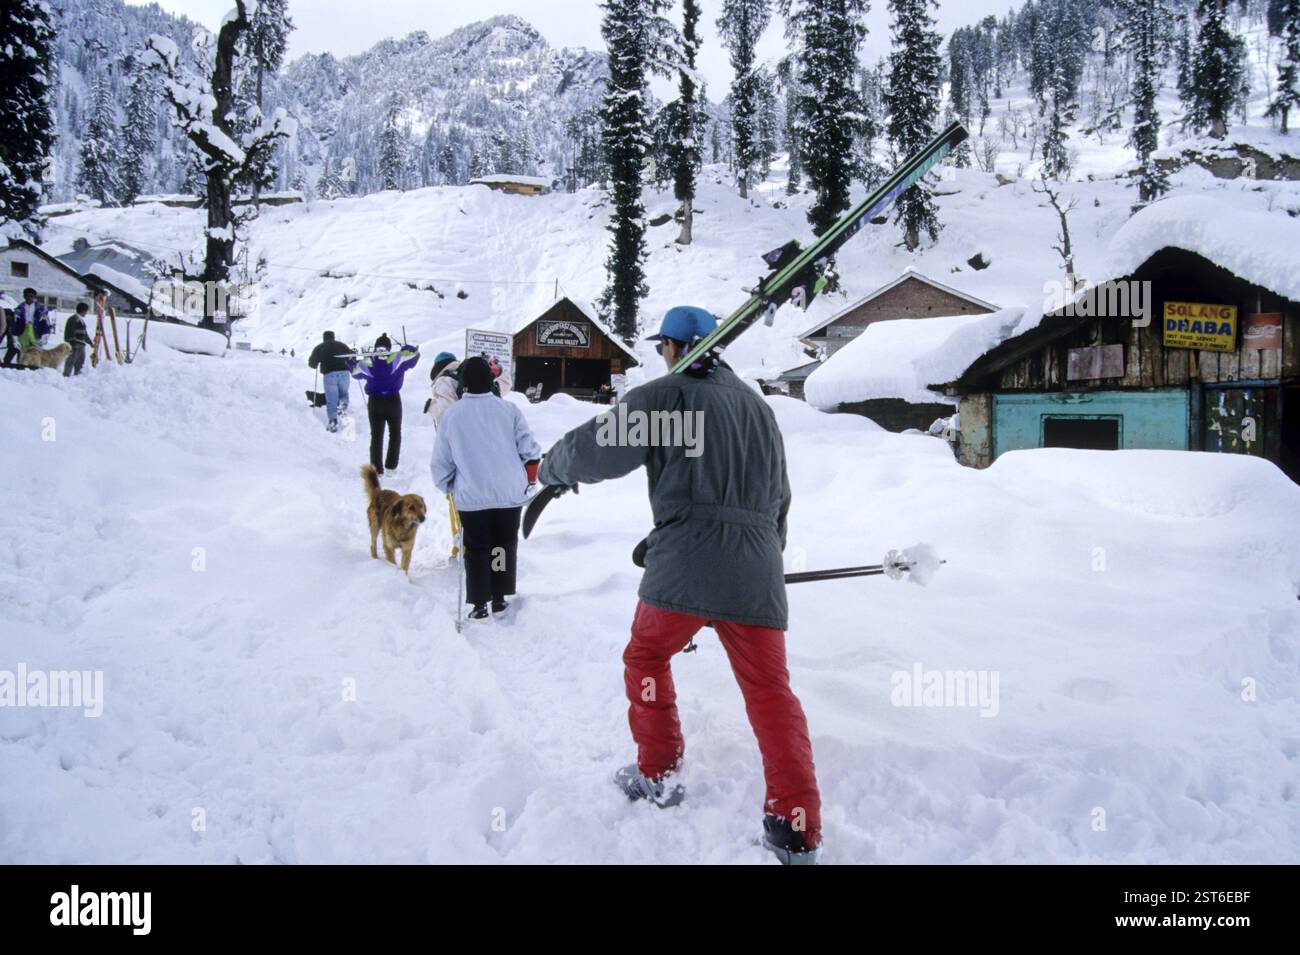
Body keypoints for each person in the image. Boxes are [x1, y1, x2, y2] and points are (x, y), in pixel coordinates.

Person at [536, 305, 821, 865]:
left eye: (663, 346)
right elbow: (779, 500)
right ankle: (797, 828)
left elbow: (596, 449)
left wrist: (549, 470)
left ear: (672, 346)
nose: (663, 355)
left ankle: (658, 770)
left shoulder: (669, 400)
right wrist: (760, 566)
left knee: (646, 657)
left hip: (684, 563)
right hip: (756, 569)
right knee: (770, 691)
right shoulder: (759, 410)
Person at [430, 357, 540, 622]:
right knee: (502, 545)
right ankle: (499, 598)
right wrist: (528, 480)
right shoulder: (509, 410)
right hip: (508, 495)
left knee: (477, 549)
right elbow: (530, 450)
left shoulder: (452, 415)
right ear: (490, 380)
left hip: (472, 496)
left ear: (463, 383)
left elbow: (441, 461)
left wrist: (447, 485)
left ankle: (480, 603)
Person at [349, 334, 420, 474]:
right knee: (395, 433)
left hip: (375, 402)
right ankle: (391, 466)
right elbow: (415, 357)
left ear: (376, 347)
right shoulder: (397, 357)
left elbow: (355, 372)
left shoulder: (369, 361)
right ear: (389, 347)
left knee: (376, 436)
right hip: (393, 400)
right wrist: (410, 349)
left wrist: (351, 362)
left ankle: (377, 469)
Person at [307, 330, 353, 431]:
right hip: (344, 373)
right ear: (333, 337)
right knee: (343, 393)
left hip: (329, 374)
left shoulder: (320, 347)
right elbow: (352, 356)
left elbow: (312, 364)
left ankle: (333, 422)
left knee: (331, 399)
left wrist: (316, 363)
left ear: (324, 338)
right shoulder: (341, 345)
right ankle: (342, 405)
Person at [9, 288, 50, 364]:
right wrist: (14, 338)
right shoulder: (19, 308)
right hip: (23, 333)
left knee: (36, 353)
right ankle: (22, 367)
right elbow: (15, 323)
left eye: (31, 296)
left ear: (34, 297)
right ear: (24, 296)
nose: (29, 298)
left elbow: (45, 323)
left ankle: (35, 367)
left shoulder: (41, 309)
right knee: (23, 354)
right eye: (27, 296)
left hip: (36, 333)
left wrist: (45, 335)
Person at [427, 351, 461, 427]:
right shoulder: (458, 376)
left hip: (454, 431)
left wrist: (431, 406)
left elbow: (445, 414)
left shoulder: (443, 381)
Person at [63, 303, 93, 377]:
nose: (86, 313)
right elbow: (69, 332)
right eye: (86, 311)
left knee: (80, 362)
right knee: (71, 361)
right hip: (74, 345)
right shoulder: (73, 319)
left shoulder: (81, 320)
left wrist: (90, 342)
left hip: (81, 344)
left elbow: (84, 333)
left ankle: (77, 376)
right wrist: (72, 343)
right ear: (83, 311)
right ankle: (66, 376)